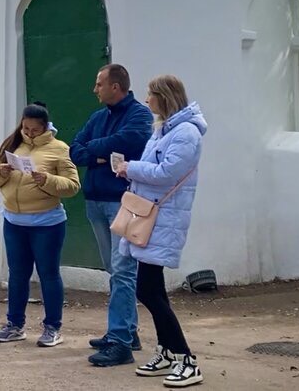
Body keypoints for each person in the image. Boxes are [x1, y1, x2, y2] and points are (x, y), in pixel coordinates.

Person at [113, 75, 205, 387]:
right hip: (153, 217)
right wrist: (134, 170)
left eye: (150, 95)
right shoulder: (165, 129)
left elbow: (167, 173)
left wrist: (130, 168)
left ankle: (186, 359)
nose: (147, 100)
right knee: (152, 290)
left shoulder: (185, 133)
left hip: (162, 220)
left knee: (148, 291)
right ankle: (167, 350)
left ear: (163, 97)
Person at [70, 64, 154, 366]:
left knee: (123, 270)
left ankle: (119, 342)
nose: (95, 89)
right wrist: (100, 154)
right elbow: (74, 150)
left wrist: (94, 151)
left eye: (99, 83)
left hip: (122, 202)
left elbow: (131, 141)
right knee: (113, 269)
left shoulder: (139, 116)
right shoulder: (98, 117)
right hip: (95, 201)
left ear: (115, 86)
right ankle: (128, 332)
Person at [0, 104, 79, 347]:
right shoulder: (12, 144)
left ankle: (53, 327)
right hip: (13, 221)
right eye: (25, 128)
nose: (29, 133)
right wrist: (2, 173)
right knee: (17, 274)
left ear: (45, 127)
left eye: (34, 130)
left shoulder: (59, 149)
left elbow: (72, 185)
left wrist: (47, 180)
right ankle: (15, 325)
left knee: (48, 274)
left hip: (46, 223)